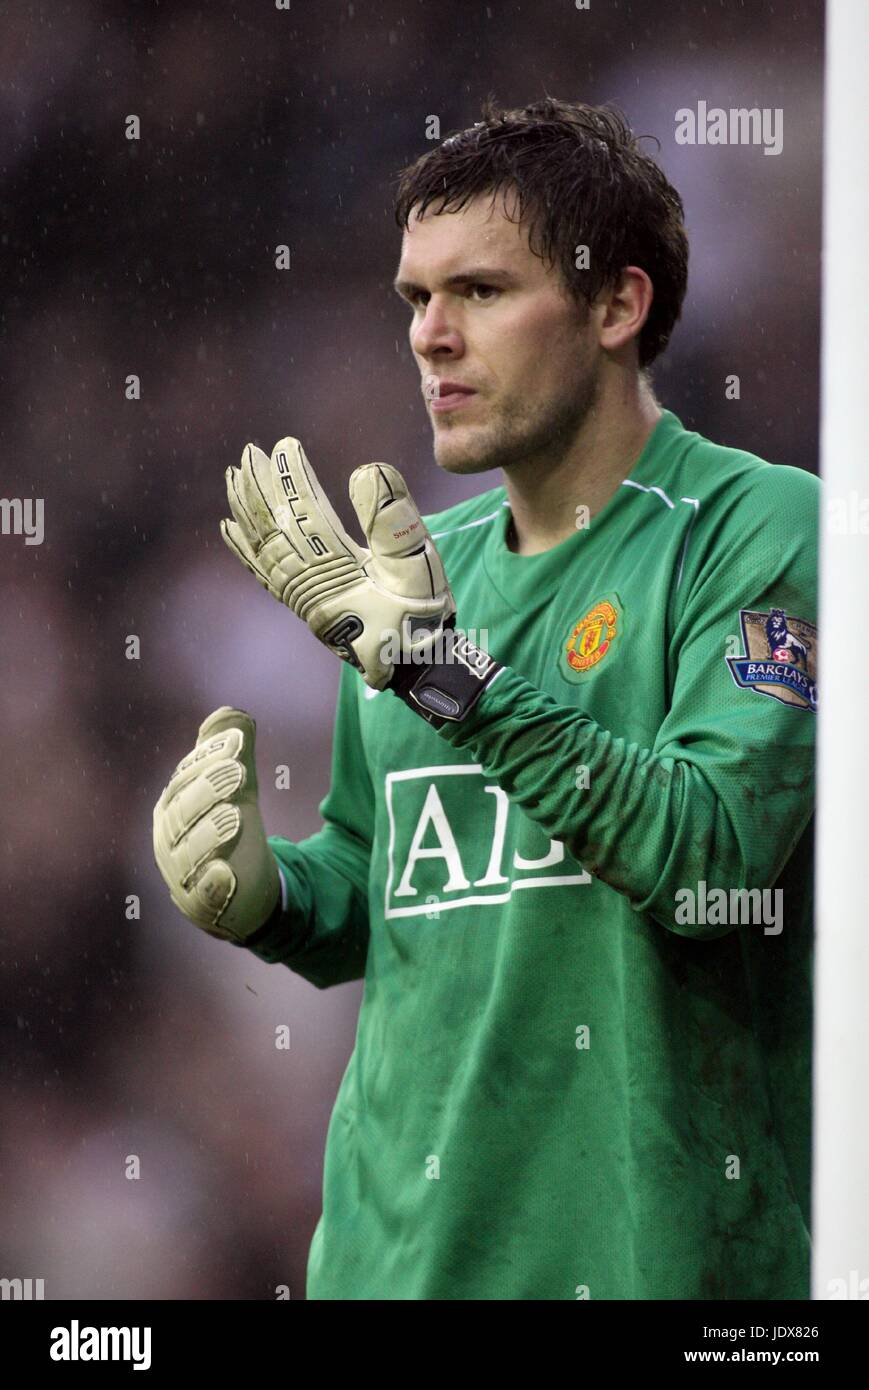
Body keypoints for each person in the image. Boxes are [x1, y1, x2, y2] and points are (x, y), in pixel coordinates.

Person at [153, 98, 817, 1300]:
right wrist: (267, 892)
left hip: (650, 1271)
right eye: (414, 299)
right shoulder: (417, 573)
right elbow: (388, 880)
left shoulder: (759, 530)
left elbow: (712, 859)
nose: (430, 337)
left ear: (617, 305)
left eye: (480, 292)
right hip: (385, 1266)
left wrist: (442, 676)